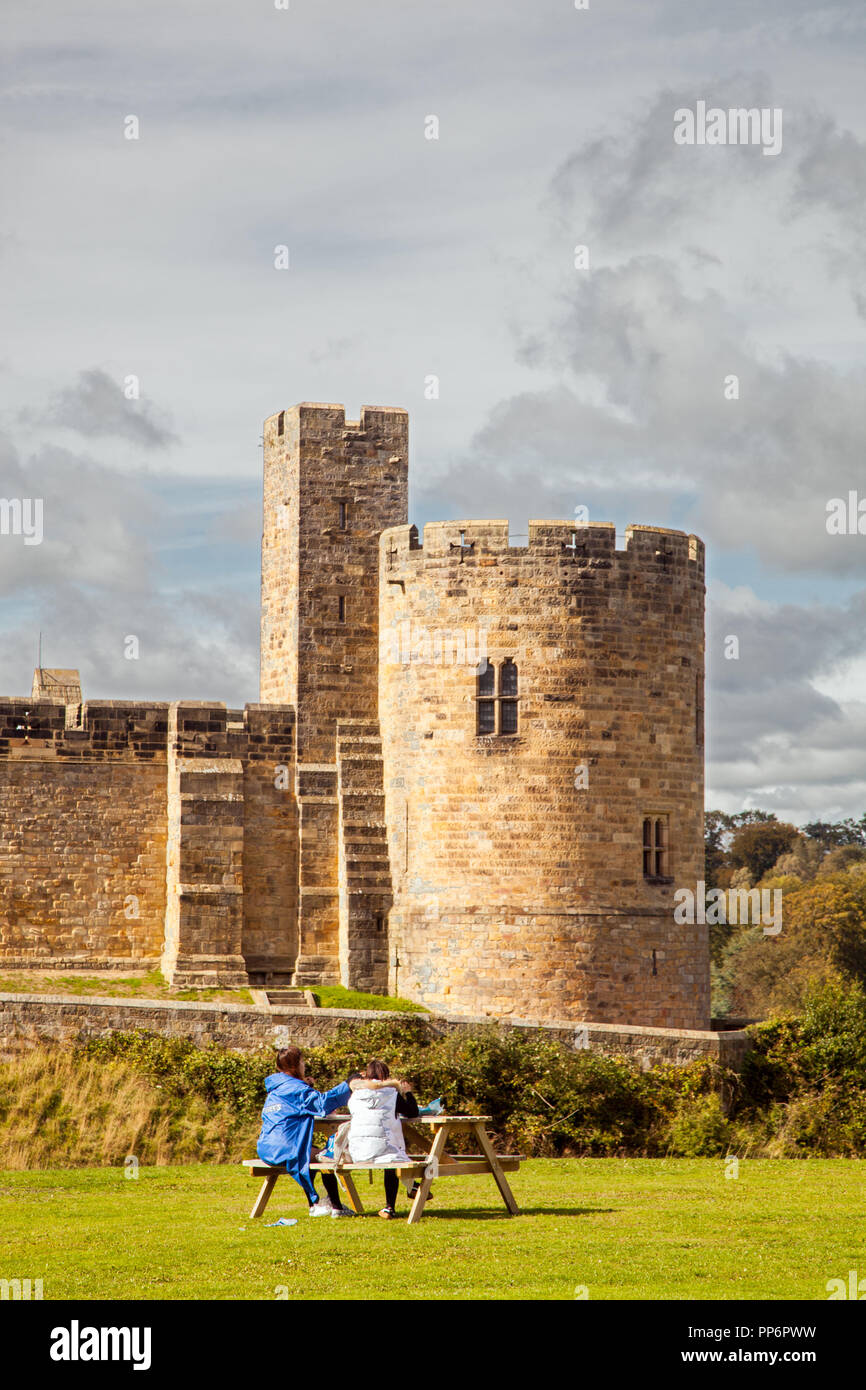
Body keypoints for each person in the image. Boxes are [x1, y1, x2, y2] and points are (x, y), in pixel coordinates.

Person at [256, 1044, 397, 1217]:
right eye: (302, 1062)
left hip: (266, 1148)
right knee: (327, 1155)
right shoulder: (296, 1089)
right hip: (284, 1150)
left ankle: (316, 1204)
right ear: (294, 1066)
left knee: (314, 1151)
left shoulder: (276, 1089)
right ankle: (334, 1207)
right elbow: (323, 1104)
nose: (304, 1065)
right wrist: (347, 1084)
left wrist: (305, 1085)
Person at [347, 1059, 420, 1219]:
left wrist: (357, 1077)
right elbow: (412, 1112)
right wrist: (407, 1092)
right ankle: (391, 1206)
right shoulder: (391, 1093)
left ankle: (413, 1188)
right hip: (384, 1150)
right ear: (386, 1076)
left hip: (357, 1151)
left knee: (389, 1153)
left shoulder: (355, 1094)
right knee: (391, 1158)